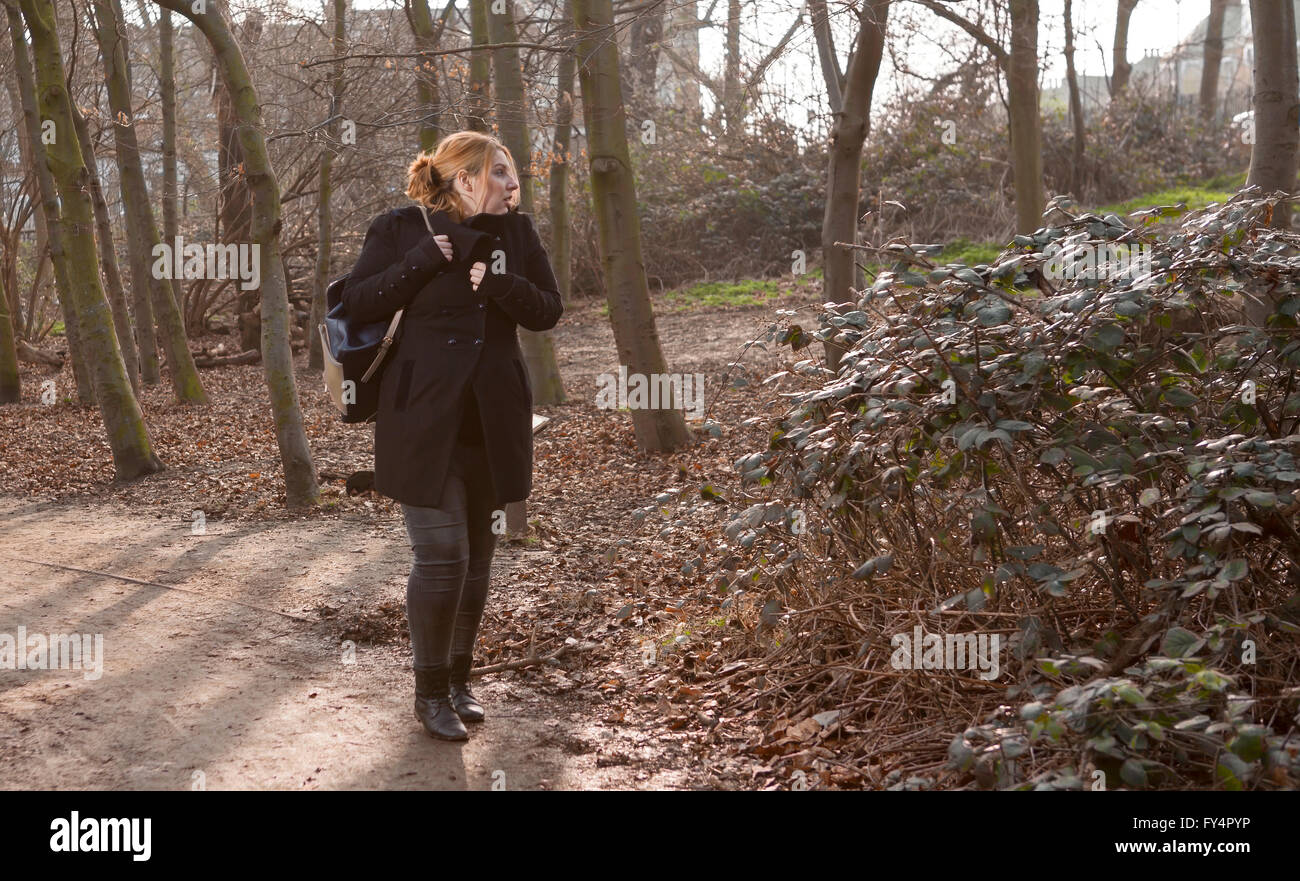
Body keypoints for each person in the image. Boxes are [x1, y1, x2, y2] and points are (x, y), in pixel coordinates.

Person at [341, 131, 563, 740]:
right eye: (498, 172)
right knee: (442, 559)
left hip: (494, 420)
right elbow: (356, 303)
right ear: (463, 178)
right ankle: (430, 692)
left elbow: (548, 309)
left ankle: (461, 682)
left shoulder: (516, 234)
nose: (512, 183)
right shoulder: (398, 228)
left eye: (512, 172)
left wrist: (494, 284)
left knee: (478, 561)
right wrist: (422, 262)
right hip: (421, 419)